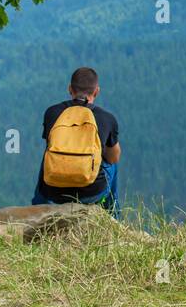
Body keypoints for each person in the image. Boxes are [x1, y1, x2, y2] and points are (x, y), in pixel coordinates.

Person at [32, 66, 121, 215]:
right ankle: (112, 216)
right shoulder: (107, 118)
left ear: (69, 89)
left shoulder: (52, 112)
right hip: (91, 193)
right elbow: (113, 158)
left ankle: (37, 208)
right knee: (113, 164)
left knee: (49, 154)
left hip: (54, 192)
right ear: (96, 91)